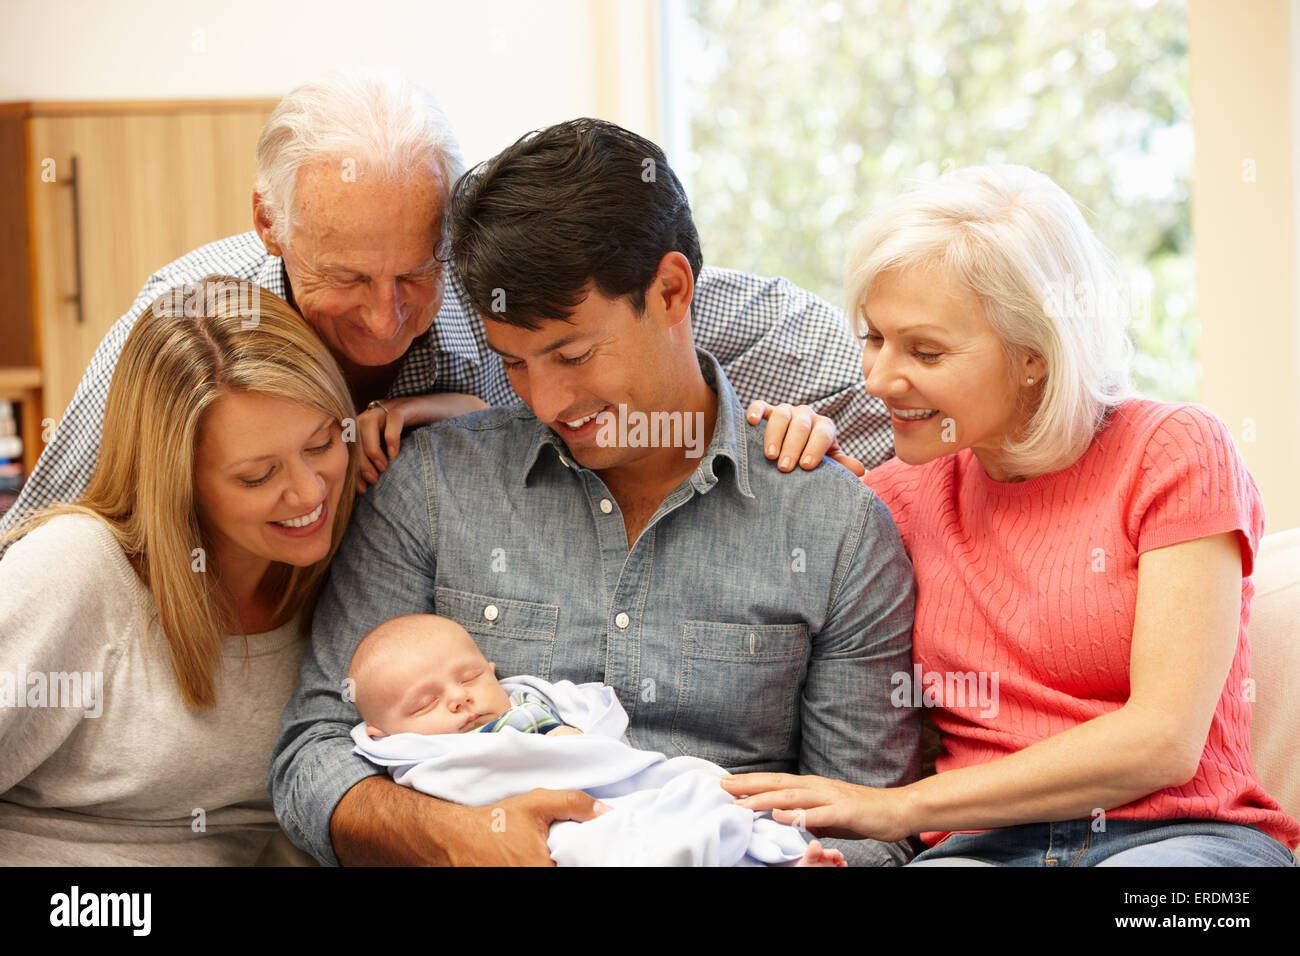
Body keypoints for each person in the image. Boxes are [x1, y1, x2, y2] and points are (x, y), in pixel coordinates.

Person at [268, 118, 922, 868]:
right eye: (513, 365)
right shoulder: (431, 488)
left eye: (572, 354)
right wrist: (462, 837)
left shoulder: (835, 526)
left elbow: (870, 824)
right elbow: (311, 759)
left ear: (671, 290)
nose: (548, 402)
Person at [0, 65, 888, 553]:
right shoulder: (183, 330)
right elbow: (47, 537)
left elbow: (778, 339)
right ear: (270, 223)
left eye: (418, 272)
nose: (387, 318)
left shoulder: (493, 281)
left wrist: (778, 433)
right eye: (345, 278)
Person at [726, 164, 1300, 866]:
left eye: (924, 350)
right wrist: (794, 467)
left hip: (1183, 840)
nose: (877, 380)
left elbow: (1162, 742)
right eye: (873, 338)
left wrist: (895, 808)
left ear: (1033, 355)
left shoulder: (1174, 450)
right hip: (986, 849)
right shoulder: (894, 495)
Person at [0, 277, 360, 865]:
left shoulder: (344, 567)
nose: (307, 492)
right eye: (256, 476)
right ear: (178, 482)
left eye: (321, 444)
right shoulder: (75, 566)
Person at [346, 614, 845, 866]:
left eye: (470, 676)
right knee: (598, 847)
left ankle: (780, 856)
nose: (459, 699)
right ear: (382, 734)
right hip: (546, 829)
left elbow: (601, 719)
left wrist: (578, 737)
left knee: (703, 787)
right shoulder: (425, 756)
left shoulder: (528, 699)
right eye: (425, 703)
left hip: (628, 788)